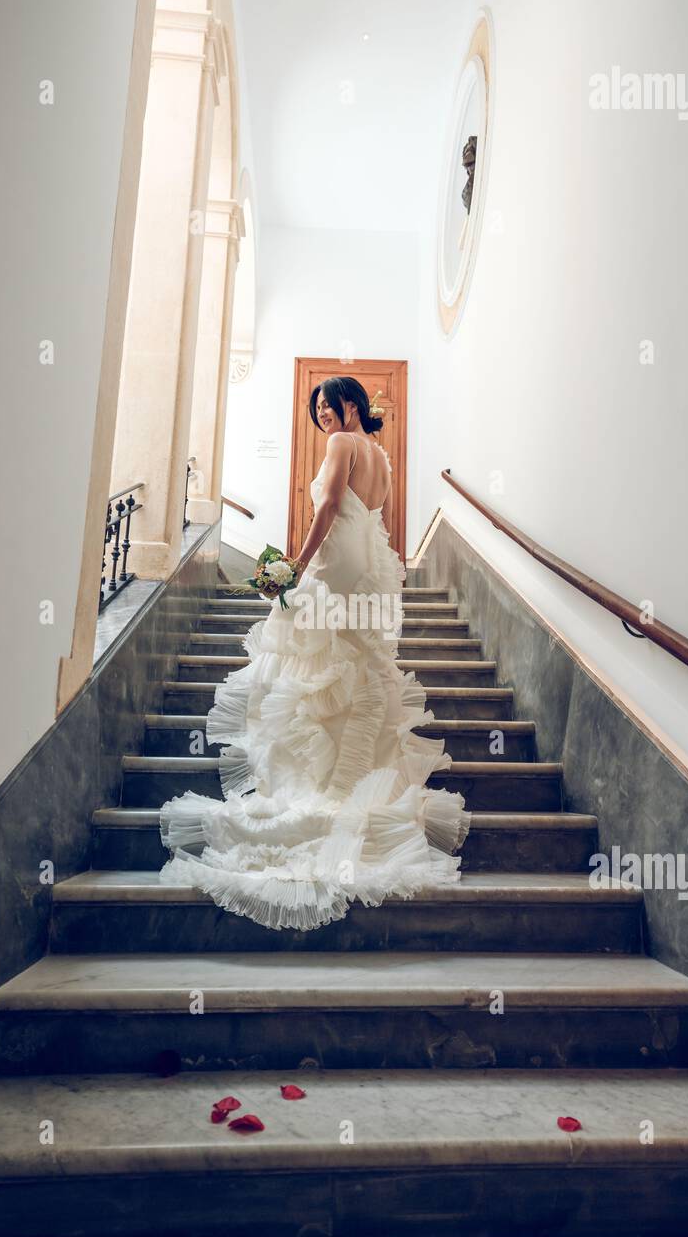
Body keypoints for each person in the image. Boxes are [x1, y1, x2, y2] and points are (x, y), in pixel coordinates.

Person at [158, 375, 470, 930]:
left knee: (308, 665)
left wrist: (293, 570)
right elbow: (368, 514)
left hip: (336, 559)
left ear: (351, 404)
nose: (323, 415)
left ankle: (317, 784)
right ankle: (349, 785)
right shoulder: (381, 456)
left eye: (329, 404)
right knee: (356, 665)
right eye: (317, 409)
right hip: (370, 563)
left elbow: (326, 507)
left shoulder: (342, 444)